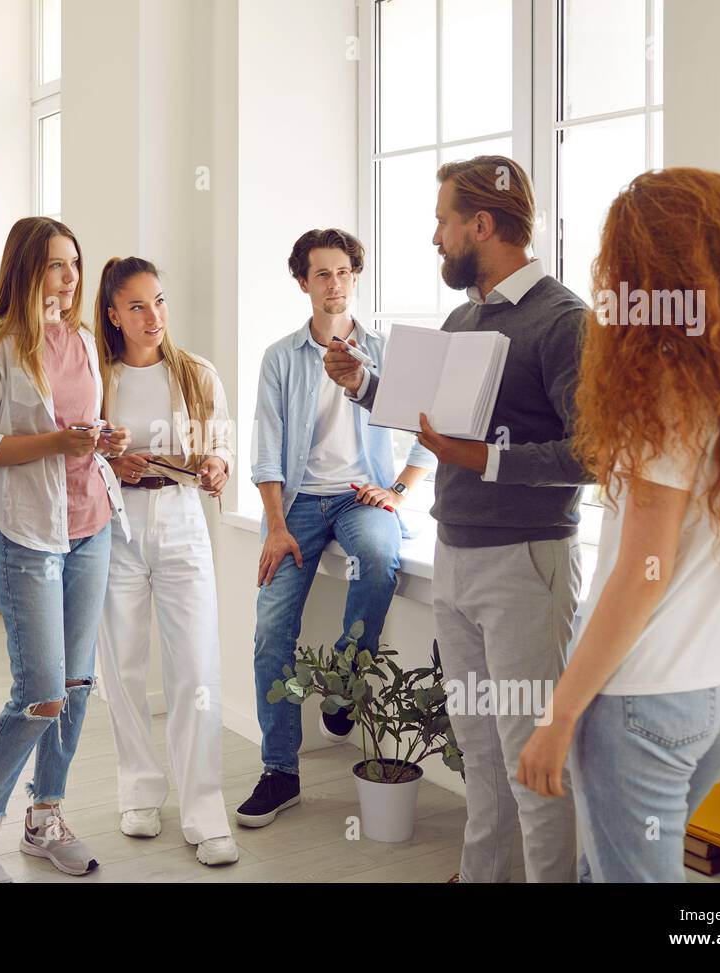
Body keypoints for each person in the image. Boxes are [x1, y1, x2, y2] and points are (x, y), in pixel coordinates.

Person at [516, 167, 720, 882]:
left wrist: (560, 715)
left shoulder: (664, 388)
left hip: (642, 699)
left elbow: (646, 573)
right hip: (719, 693)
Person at [328, 156, 590, 882]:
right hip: (456, 552)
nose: (435, 235)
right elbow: (441, 426)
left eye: (445, 219)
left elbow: (592, 453)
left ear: (482, 223)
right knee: (479, 746)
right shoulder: (462, 317)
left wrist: (485, 459)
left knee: (531, 756)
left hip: (526, 563)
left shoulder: (562, 321)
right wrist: (363, 383)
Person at [0, 217, 132, 882]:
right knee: (40, 694)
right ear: (27, 268)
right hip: (28, 533)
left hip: (92, 524)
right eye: (57, 264)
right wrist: (58, 443)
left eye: (74, 264)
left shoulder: (82, 339)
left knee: (78, 687)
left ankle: (44, 818)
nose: (70, 277)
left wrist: (101, 439)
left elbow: (79, 429)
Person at [238, 228, 435, 829]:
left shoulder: (388, 350)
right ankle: (280, 772)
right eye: (322, 274)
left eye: (344, 271)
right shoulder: (281, 357)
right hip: (298, 503)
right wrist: (275, 525)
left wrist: (397, 490)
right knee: (273, 628)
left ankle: (346, 686)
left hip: (361, 496)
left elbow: (430, 432)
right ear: (303, 282)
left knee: (379, 559)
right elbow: (267, 453)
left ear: (356, 275)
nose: (335, 283)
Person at [93, 256, 239, 866]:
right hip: (116, 524)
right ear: (113, 316)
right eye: (136, 306)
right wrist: (109, 461)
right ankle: (140, 791)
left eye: (159, 301)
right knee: (122, 666)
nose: (153, 317)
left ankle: (205, 812)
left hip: (181, 521)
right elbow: (75, 452)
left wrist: (217, 466)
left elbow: (224, 441)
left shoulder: (197, 373)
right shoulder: (97, 375)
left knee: (196, 670)